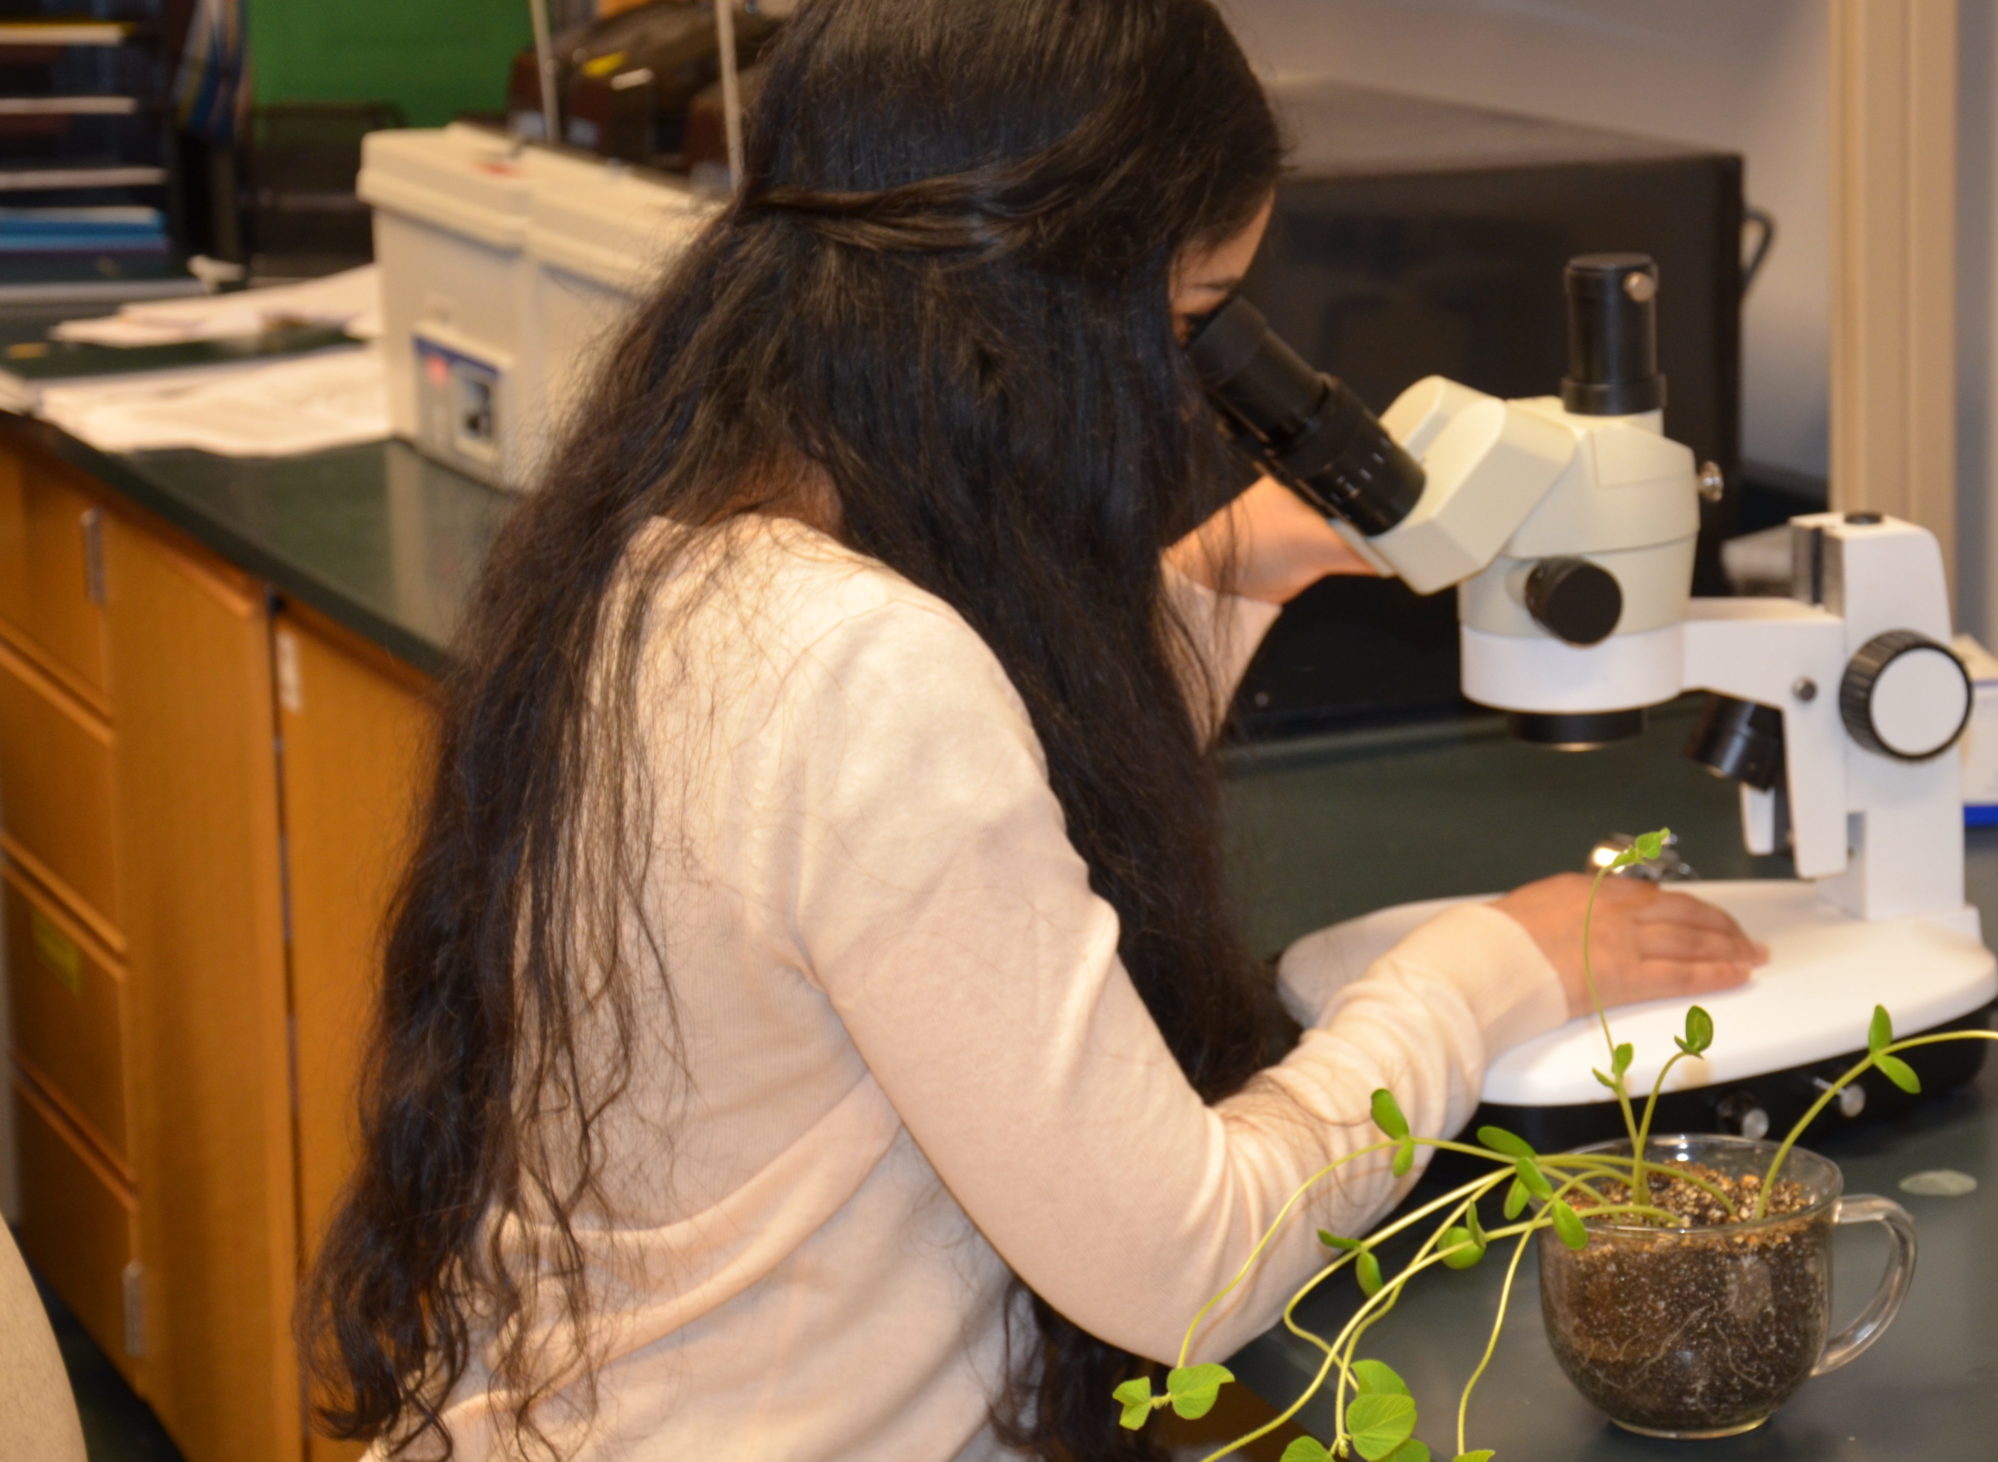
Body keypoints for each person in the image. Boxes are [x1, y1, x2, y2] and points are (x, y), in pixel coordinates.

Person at [301, 2, 1764, 1458]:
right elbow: (1184, 1263)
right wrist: (1490, 968)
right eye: (1189, 326)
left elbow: (905, 866)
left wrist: (1217, 573)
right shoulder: (861, 674)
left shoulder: (672, 557)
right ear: (1031, 317)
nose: (1193, 393)